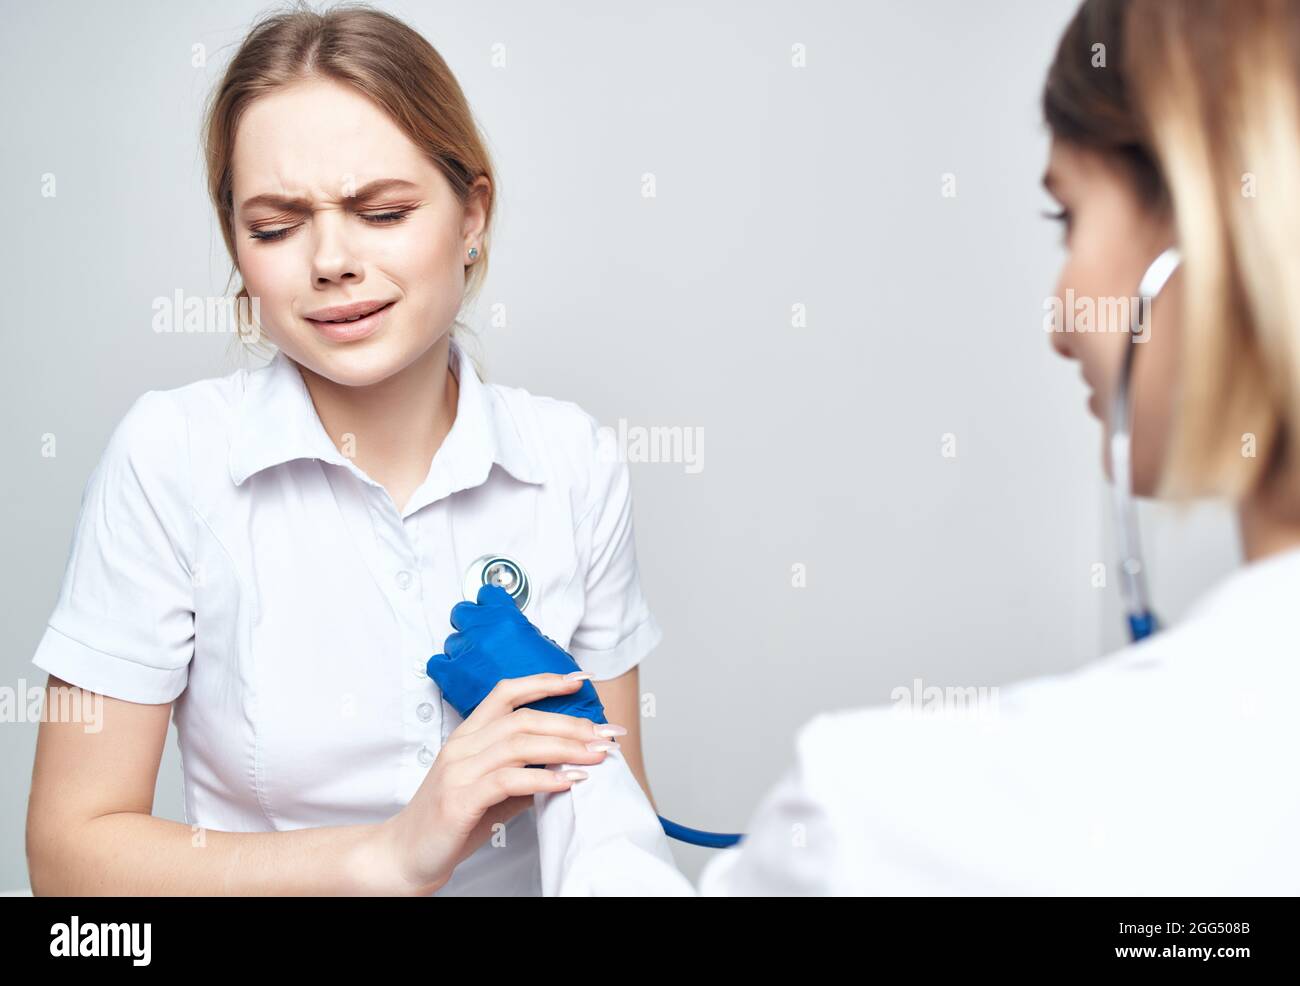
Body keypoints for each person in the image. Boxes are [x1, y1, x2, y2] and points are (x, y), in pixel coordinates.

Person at [455, 0, 1300, 895]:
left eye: (1068, 218)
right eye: (279, 226)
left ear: (1212, 233)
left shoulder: (888, 818)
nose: (1061, 318)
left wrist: (566, 733)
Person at [25, 4, 661, 896]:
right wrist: (387, 855)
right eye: (277, 227)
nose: (330, 261)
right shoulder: (170, 457)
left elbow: (612, 824)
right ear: (236, 246)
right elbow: (68, 858)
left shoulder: (574, 463)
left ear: (472, 211)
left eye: (383, 211)